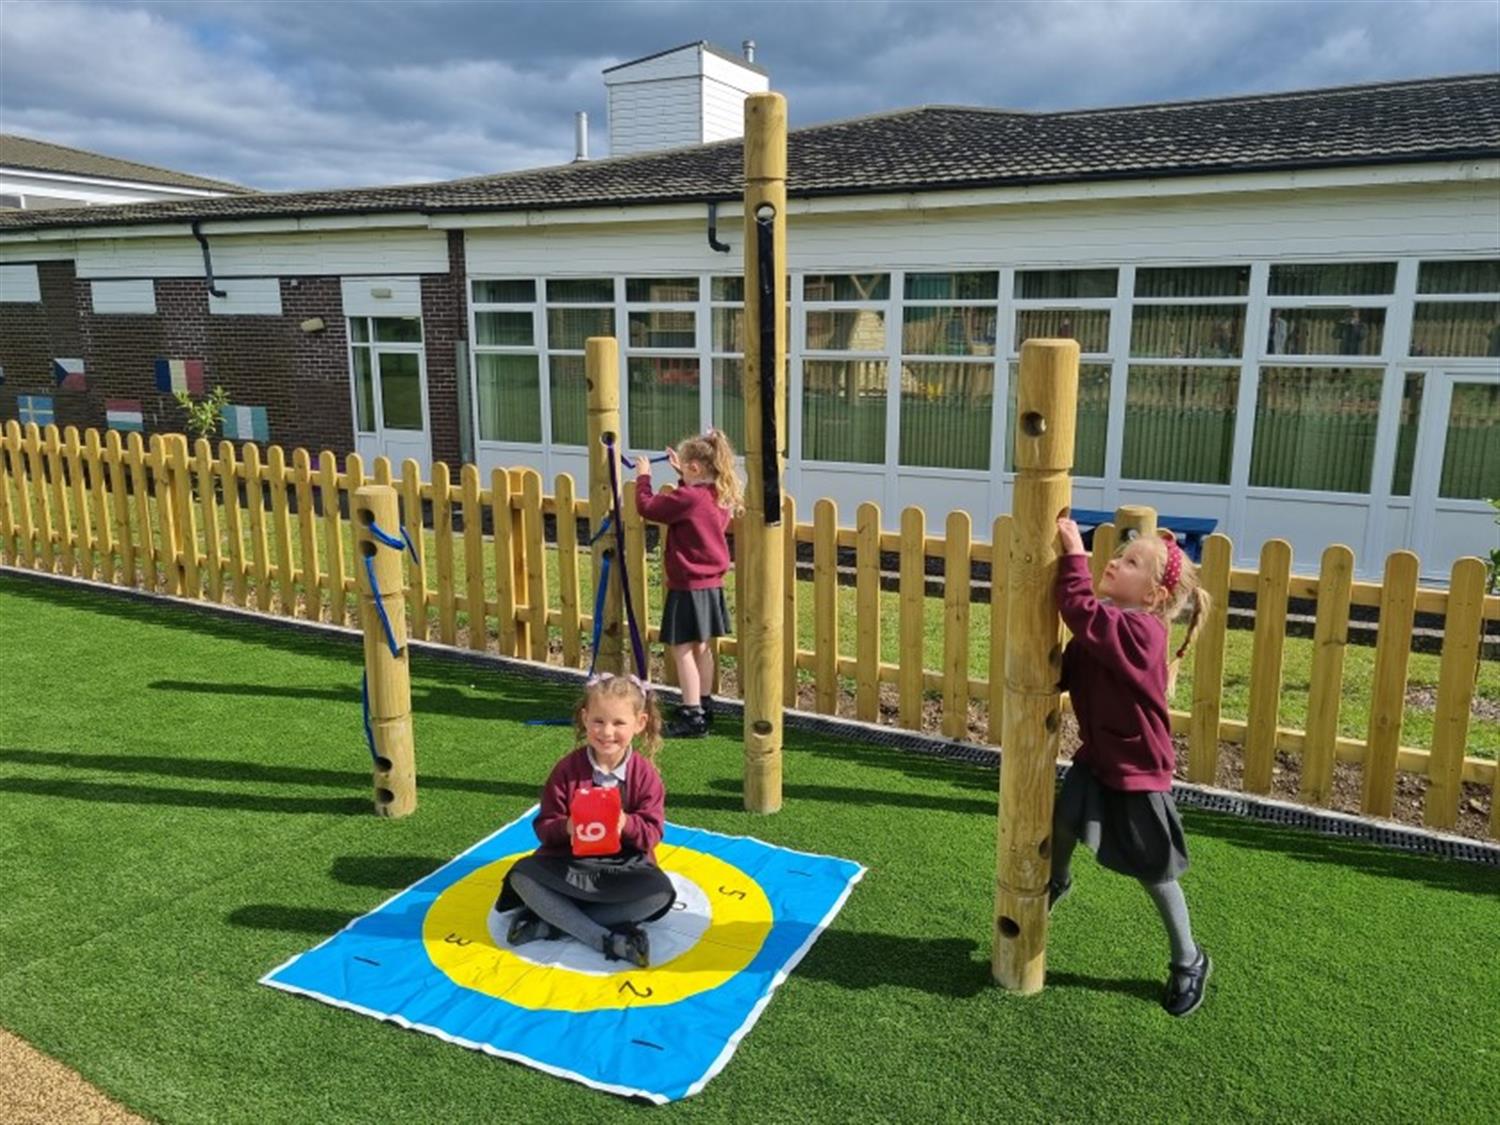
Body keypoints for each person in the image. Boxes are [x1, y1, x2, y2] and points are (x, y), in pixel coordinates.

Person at [1049, 514, 1213, 1017]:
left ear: (1154, 597)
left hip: (1139, 771)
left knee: (1154, 868)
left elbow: (1079, 612)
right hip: (1100, 758)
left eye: (1132, 561)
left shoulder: (1143, 633)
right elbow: (1073, 664)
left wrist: (1074, 555)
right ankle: (1057, 880)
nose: (1116, 561)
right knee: (1060, 822)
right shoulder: (1107, 626)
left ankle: (1188, 958)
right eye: (1118, 556)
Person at [495, 674, 674, 968]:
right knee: (521, 876)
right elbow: (544, 827)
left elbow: (652, 833)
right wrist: (566, 827)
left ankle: (554, 921)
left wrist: (625, 824)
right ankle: (601, 936)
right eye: (598, 721)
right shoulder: (567, 769)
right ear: (585, 718)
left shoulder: (645, 775)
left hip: (623, 868)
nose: (607, 732)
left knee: (660, 894)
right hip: (569, 864)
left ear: (639, 723)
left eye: (619, 723)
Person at [634, 429, 742, 738]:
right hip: (711, 586)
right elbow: (689, 509)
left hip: (688, 586)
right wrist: (684, 476)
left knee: (682, 649)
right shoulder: (716, 495)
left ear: (694, 467)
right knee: (702, 648)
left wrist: (643, 478)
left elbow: (649, 507)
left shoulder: (689, 498)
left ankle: (691, 714)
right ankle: (704, 706)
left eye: (685, 465)